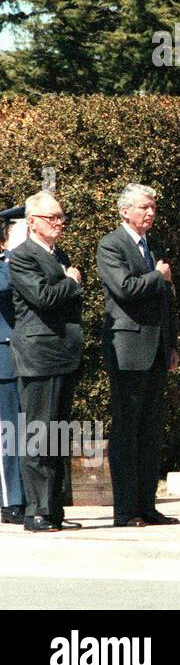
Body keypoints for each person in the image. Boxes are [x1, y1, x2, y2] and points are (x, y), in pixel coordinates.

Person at [98, 183, 179, 528]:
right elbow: (125, 288)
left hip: (156, 347)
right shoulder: (111, 245)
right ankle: (126, 509)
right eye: (144, 207)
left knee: (150, 430)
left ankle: (147, 504)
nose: (150, 213)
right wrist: (157, 277)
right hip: (128, 347)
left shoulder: (154, 245)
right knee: (127, 430)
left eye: (153, 207)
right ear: (125, 211)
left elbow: (166, 299)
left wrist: (172, 344)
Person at [8, 191, 83, 533]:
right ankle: (36, 510)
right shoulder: (22, 256)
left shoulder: (59, 254)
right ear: (33, 221)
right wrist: (71, 281)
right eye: (52, 217)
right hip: (39, 354)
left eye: (61, 216)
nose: (59, 223)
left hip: (62, 352)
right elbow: (43, 296)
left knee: (57, 433)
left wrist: (66, 282)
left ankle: (53, 509)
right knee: (38, 434)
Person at [0, 205, 27, 525]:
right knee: (8, 431)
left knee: (31, 431)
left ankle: (28, 495)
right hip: (5, 355)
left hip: (29, 353)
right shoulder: (6, 266)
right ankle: (10, 499)